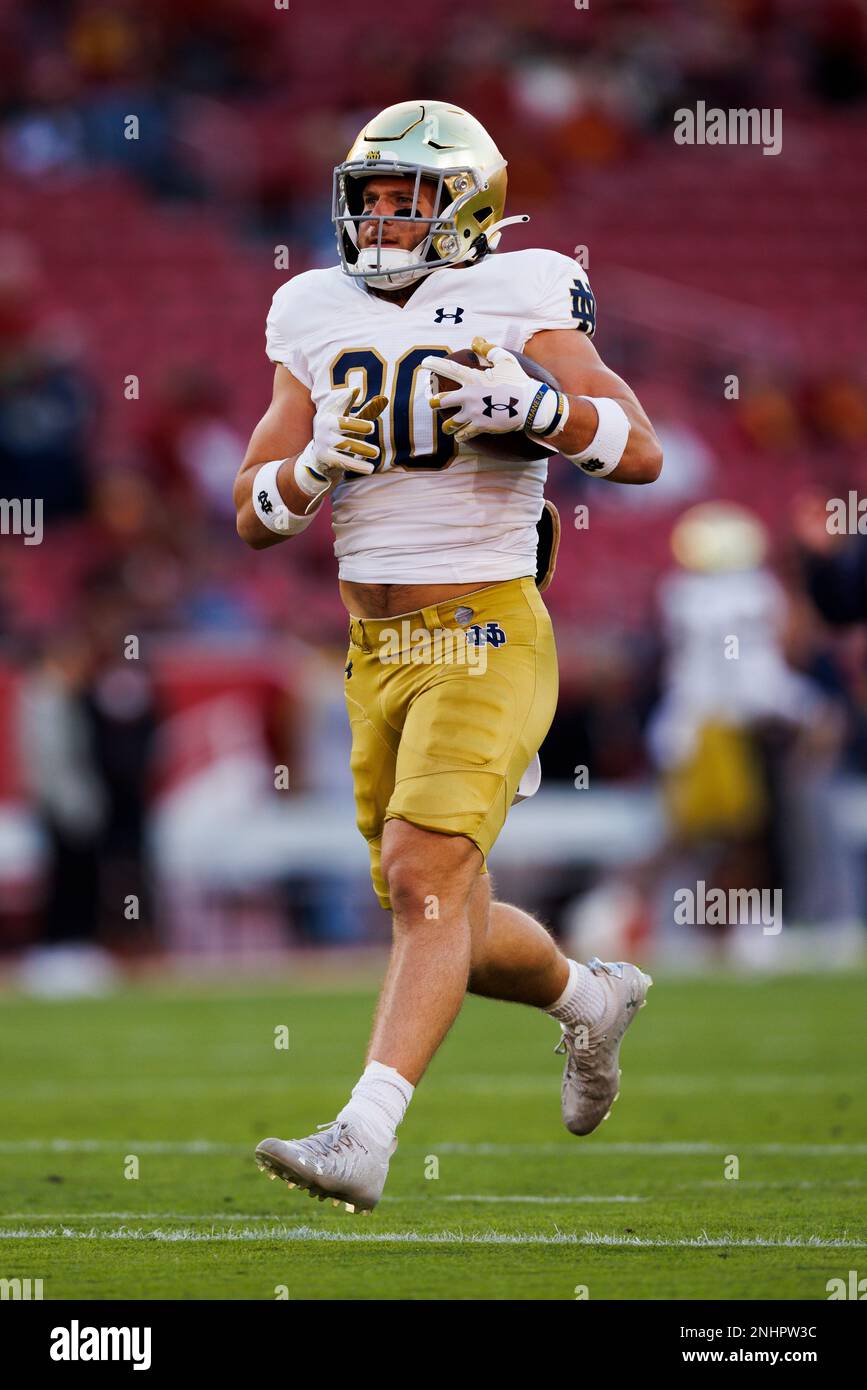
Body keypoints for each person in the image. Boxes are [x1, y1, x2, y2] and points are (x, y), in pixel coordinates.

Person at [233, 101, 661, 1212]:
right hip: (374, 647)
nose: (378, 217)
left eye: (403, 196)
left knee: (425, 876)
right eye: (367, 196)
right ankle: (589, 998)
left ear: (464, 201)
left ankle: (363, 1135)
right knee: (448, 923)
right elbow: (251, 510)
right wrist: (312, 465)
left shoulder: (524, 287)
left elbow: (642, 448)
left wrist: (544, 406)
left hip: (485, 627)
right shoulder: (310, 306)